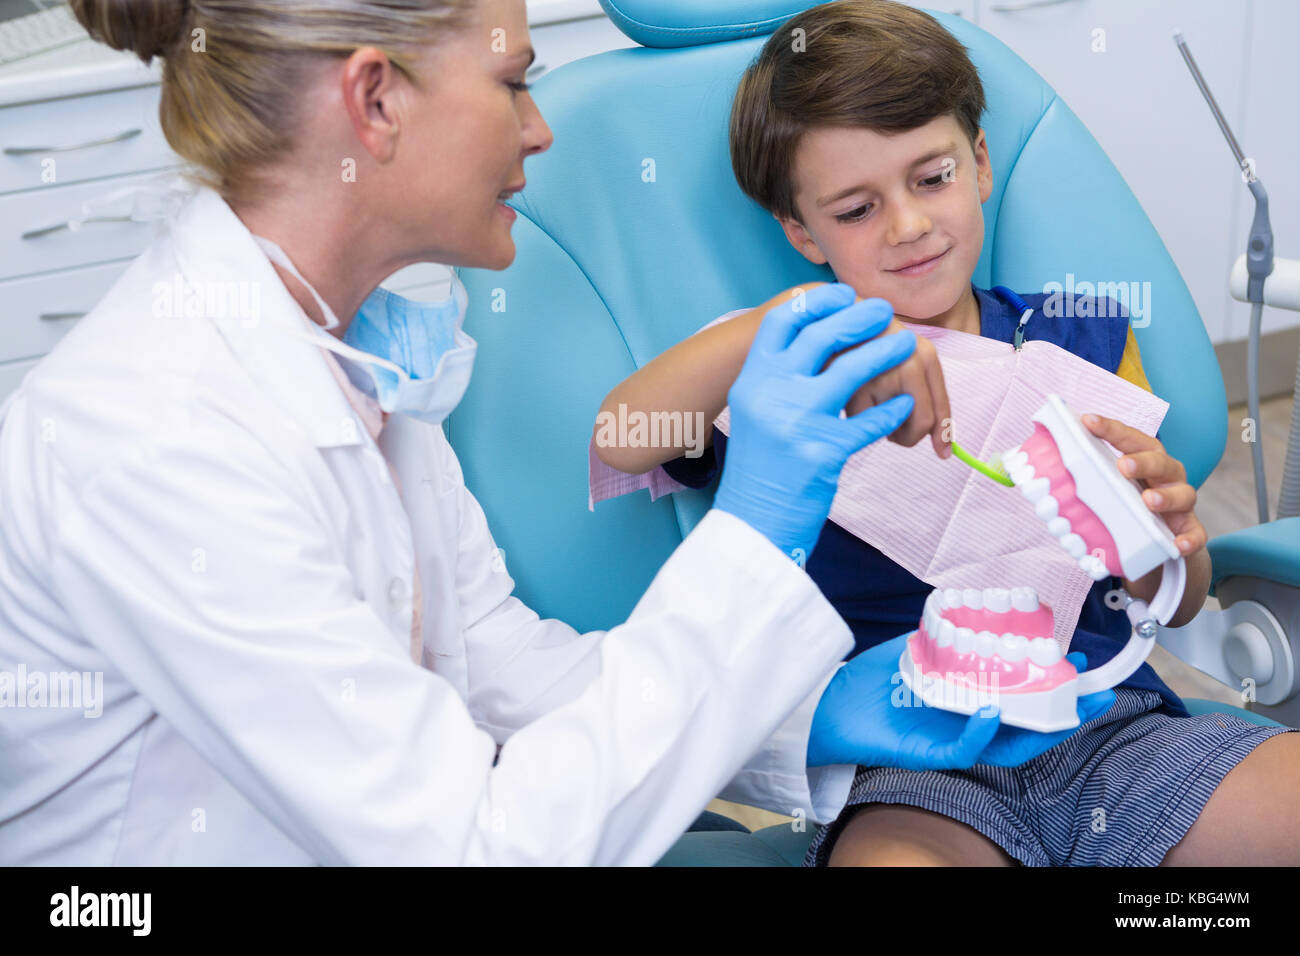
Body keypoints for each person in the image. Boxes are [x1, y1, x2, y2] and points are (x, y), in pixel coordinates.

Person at [0, 0, 1078, 866]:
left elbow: (511, 670)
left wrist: (812, 718)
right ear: (376, 100)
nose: (540, 126)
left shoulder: (366, 367)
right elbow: (471, 843)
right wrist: (750, 540)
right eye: (513, 80)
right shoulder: (161, 437)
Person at [594, 0, 1300, 866]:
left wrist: (1177, 540)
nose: (908, 226)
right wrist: (774, 327)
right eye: (855, 209)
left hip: (1111, 728)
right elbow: (623, 435)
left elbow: (1175, 600)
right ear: (800, 233)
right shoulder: (786, 362)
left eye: (930, 179)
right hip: (910, 758)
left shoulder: (1082, 337)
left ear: (979, 164)